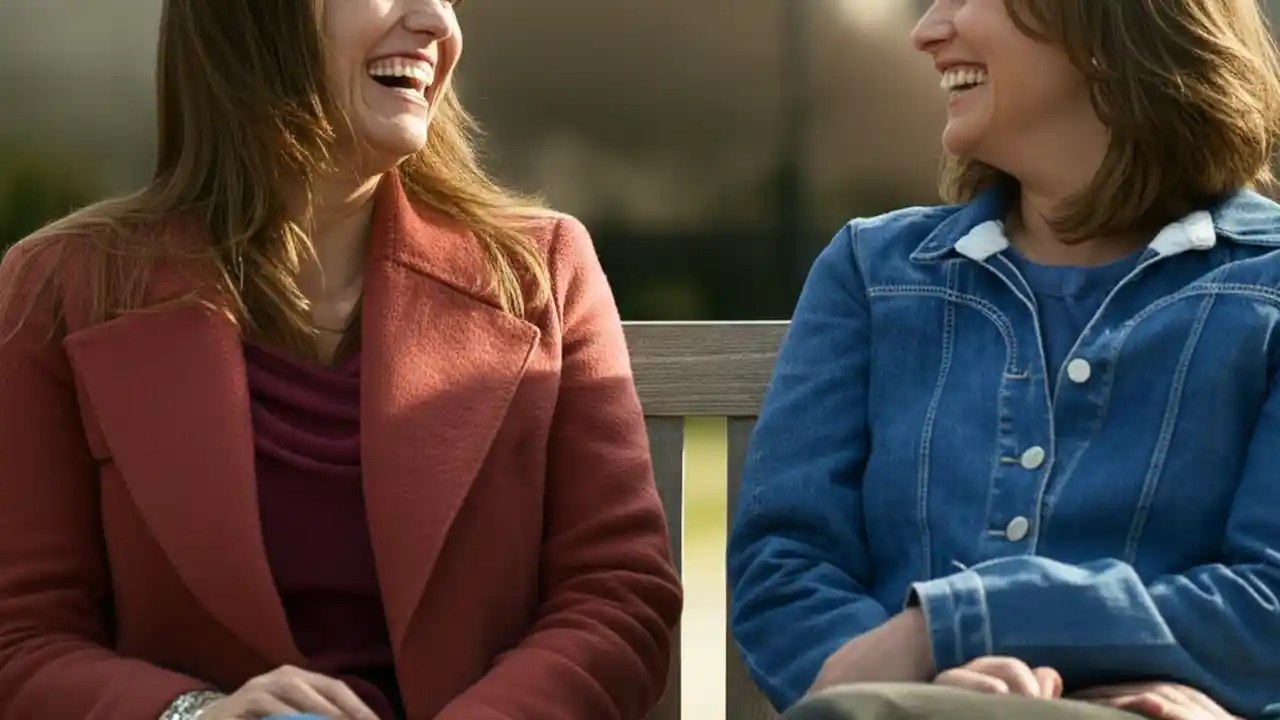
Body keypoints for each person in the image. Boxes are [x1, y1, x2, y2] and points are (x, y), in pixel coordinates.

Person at [0, 1, 682, 719]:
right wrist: (194, 714)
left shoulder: (541, 269)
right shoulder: (62, 290)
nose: (436, 23)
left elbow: (616, 593)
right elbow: (21, 634)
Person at [728, 0, 1280, 718]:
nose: (926, 31)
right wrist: (918, 687)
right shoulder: (873, 272)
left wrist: (952, 624)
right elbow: (786, 565)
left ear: (1112, 24)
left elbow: (1268, 602)